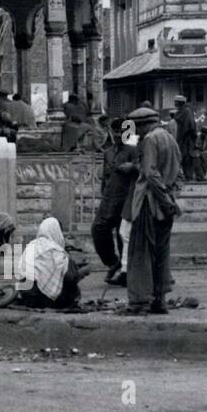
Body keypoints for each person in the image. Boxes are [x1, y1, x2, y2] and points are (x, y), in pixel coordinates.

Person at [125, 105, 182, 314]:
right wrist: (171, 197)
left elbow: (150, 173)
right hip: (167, 206)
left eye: (137, 128)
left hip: (150, 203)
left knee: (140, 253)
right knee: (161, 254)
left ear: (144, 125)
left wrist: (163, 198)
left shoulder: (150, 139)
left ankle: (140, 301)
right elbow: (179, 173)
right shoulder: (170, 138)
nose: (136, 134)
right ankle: (160, 300)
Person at [92, 117, 139, 286]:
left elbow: (145, 168)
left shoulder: (135, 149)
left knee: (122, 236)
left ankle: (125, 273)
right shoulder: (108, 152)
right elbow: (105, 177)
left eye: (121, 131)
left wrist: (132, 167)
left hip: (127, 199)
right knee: (98, 230)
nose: (118, 135)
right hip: (109, 199)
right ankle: (113, 262)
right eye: (115, 131)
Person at [14, 217, 87, 310]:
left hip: (27, 296)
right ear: (56, 232)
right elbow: (69, 277)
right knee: (72, 286)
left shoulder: (31, 246)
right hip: (47, 299)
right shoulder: (54, 250)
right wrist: (81, 272)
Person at [172, 96, 198, 181]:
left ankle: (188, 176)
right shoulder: (180, 112)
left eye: (176, 101)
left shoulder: (186, 111)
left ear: (180, 102)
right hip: (180, 138)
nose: (174, 103)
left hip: (186, 139)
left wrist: (184, 136)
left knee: (187, 158)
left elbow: (189, 125)